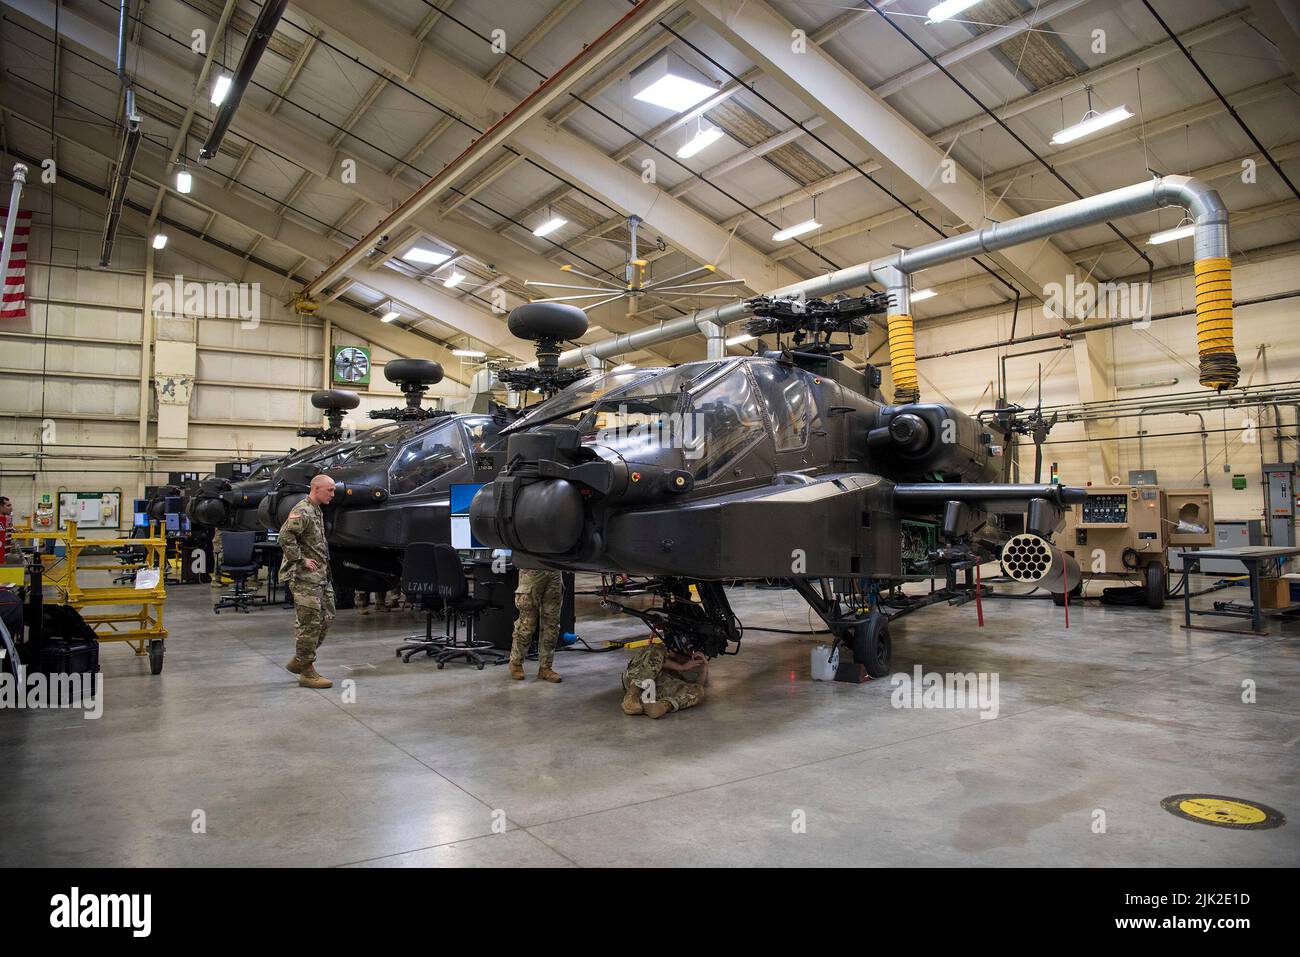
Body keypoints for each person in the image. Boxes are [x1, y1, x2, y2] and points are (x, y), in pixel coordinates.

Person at [279, 475, 336, 689]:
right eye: (329, 490)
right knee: (309, 623)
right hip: (304, 577)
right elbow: (285, 536)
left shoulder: (317, 509)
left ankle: (301, 658)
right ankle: (307, 671)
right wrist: (300, 559)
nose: (332, 494)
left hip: (320, 576)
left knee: (327, 616)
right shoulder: (302, 510)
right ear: (316, 489)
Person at [621, 643, 708, 718]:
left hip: (655, 692)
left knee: (698, 690)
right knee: (657, 648)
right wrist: (681, 666)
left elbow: (697, 686)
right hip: (637, 677)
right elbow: (656, 658)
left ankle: (661, 706)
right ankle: (633, 695)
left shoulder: (689, 668)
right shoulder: (661, 653)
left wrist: (704, 667)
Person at [508, 568, 562, 682]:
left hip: (554, 570)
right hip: (532, 569)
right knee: (527, 623)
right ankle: (516, 662)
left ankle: (545, 667)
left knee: (551, 624)